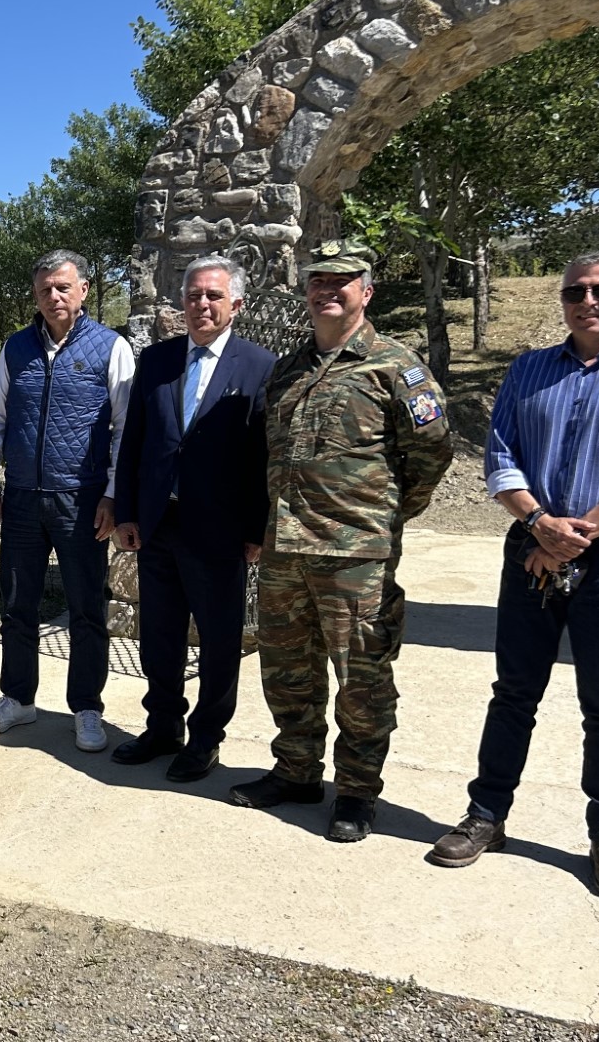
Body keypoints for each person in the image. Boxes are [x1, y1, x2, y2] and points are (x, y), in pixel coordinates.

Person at [427, 252, 599, 900]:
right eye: (576, 289)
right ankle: (487, 816)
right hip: (531, 550)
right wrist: (540, 524)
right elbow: (500, 455)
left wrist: (571, 538)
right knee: (514, 692)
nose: (588, 300)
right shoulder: (529, 370)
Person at [232, 238, 453, 842]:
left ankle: (356, 791)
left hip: (356, 555)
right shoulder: (288, 367)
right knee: (286, 672)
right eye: (317, 281)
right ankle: (297, 771)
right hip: (285, 551)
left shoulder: (394, 366)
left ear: (366, 290)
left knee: (362, 680)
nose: (328, 290)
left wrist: (381, 518)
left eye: (342, 281)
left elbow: (431, 455)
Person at [111, 255, 274, 781]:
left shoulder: (259, 366)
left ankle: (206, 738)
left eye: (213, 296)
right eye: (192, 295)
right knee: (158, 634)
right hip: (159, 523)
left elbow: (263, 458)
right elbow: (136, 440)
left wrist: (256, 529)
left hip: (220, 531)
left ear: (236, 304)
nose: (201, 305)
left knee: (219, 639)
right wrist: (129, 512)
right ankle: (162, 727)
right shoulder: (156, 361)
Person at [0, 249, 135, 752]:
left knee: (87, 606)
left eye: (64, 287)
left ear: (84, 290)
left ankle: (87, 707)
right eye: (45, 289)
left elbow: (125, 430)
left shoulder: (111, 347)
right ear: (36, 294)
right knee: (17, 603)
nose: (54, 296)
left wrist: (113, 494)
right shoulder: (16, 348)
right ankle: (18, 699)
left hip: (82, 500)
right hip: (21, 496)